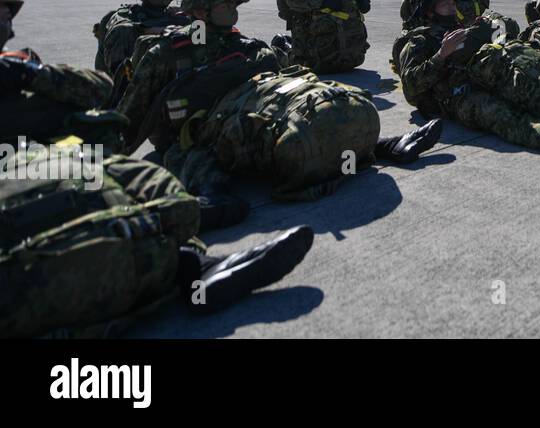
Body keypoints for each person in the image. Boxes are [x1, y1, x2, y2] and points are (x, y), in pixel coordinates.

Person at [116, 0, 441, 197]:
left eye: (235, 5)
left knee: (314, 105)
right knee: (212, 182)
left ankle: (378, 146)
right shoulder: (166, 54)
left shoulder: (245, 45)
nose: (234, 11)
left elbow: (288, 87)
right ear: (200, 12)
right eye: (226, 6)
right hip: (194, 138)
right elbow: (130, 115)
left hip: (254, 113)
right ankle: (210, 210)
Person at [0, 144, 315, 338]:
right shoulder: (40, 154)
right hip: (146, 255)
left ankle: (188, 257)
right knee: (96, 171)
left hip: (26, 300)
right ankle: (194, 259)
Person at [396, 0, 540, 162]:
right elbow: (411, 87)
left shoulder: (463, 28)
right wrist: (441, 55)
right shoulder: (419, 41)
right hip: (455, 95)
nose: (451, 7)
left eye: (453, 3)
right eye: (445, 4)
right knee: (492, 109)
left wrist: (490, 27)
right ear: (430, 11)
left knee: (528, 76)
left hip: (486, 75)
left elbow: (507, 32)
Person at [0, 0, 125, 149]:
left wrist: (29, 72)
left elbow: (101, 89)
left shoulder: (16, 64)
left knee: (95, 128)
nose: (4, 24)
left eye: (5, 17)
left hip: (22, 160)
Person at [92, 0, 188, 75]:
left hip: (167, 68)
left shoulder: (174, 13)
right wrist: (147, 30)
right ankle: (121, 80)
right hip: (131, 71)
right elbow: (121, 26)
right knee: (123, 32)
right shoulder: (127, 13)